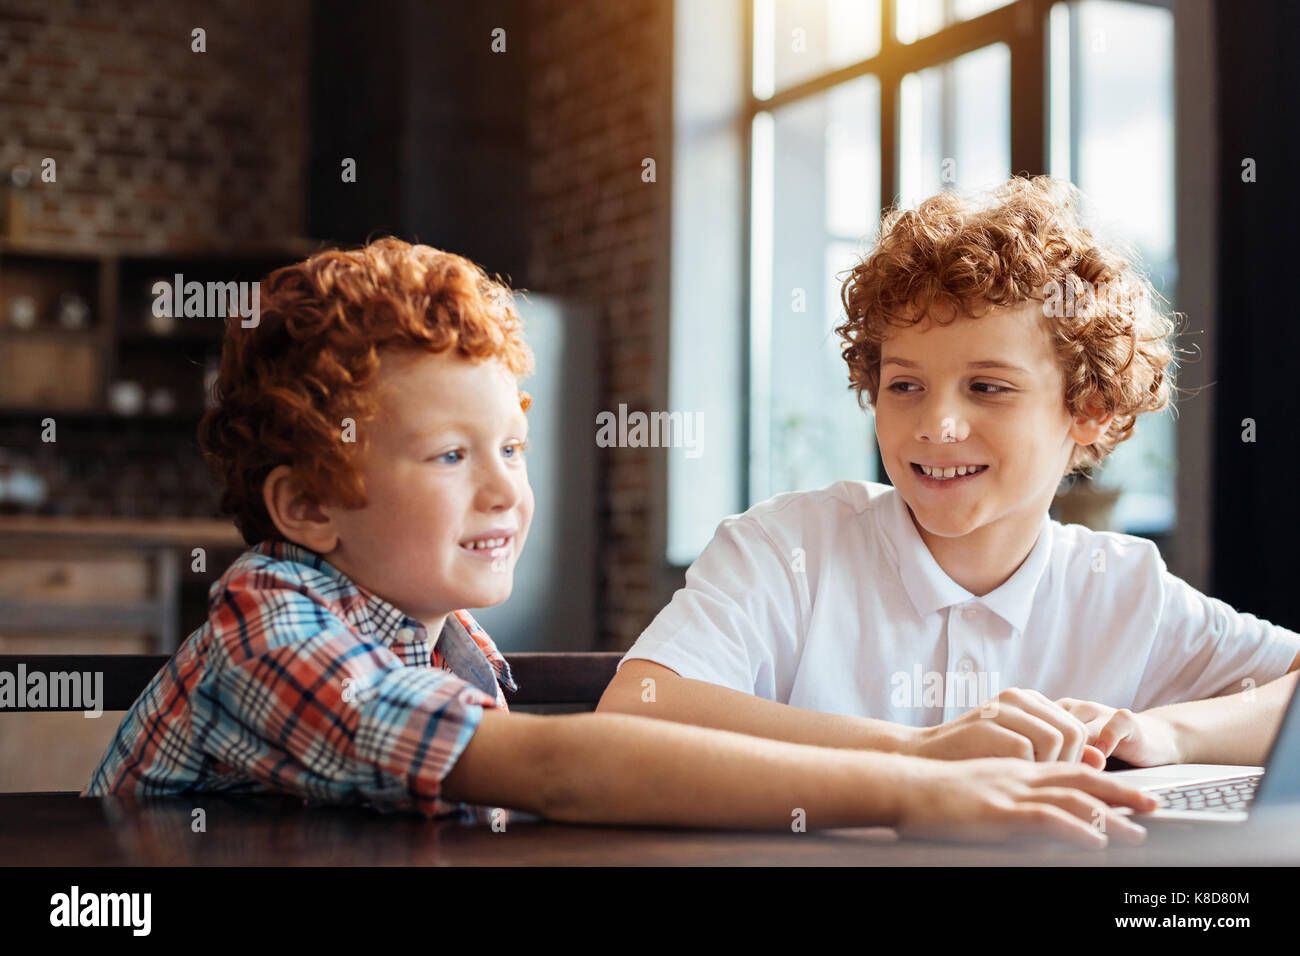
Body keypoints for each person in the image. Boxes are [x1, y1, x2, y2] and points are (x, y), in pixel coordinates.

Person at [82, 238, 1155, 847]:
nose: (507, 487)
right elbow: (552, 762)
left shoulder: (439, 636)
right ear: (311, 507)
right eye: (451, 457)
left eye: (512, 444)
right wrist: (915, 774)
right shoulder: (271, 619)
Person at [598, 176, 1300, 772]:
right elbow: (634, 713)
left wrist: (1167, 732)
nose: (937, 425)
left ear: (1087, 408)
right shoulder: (788, 548)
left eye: (988, 388)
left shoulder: (1124, 591)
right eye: (905, 386)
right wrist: (923, 754)